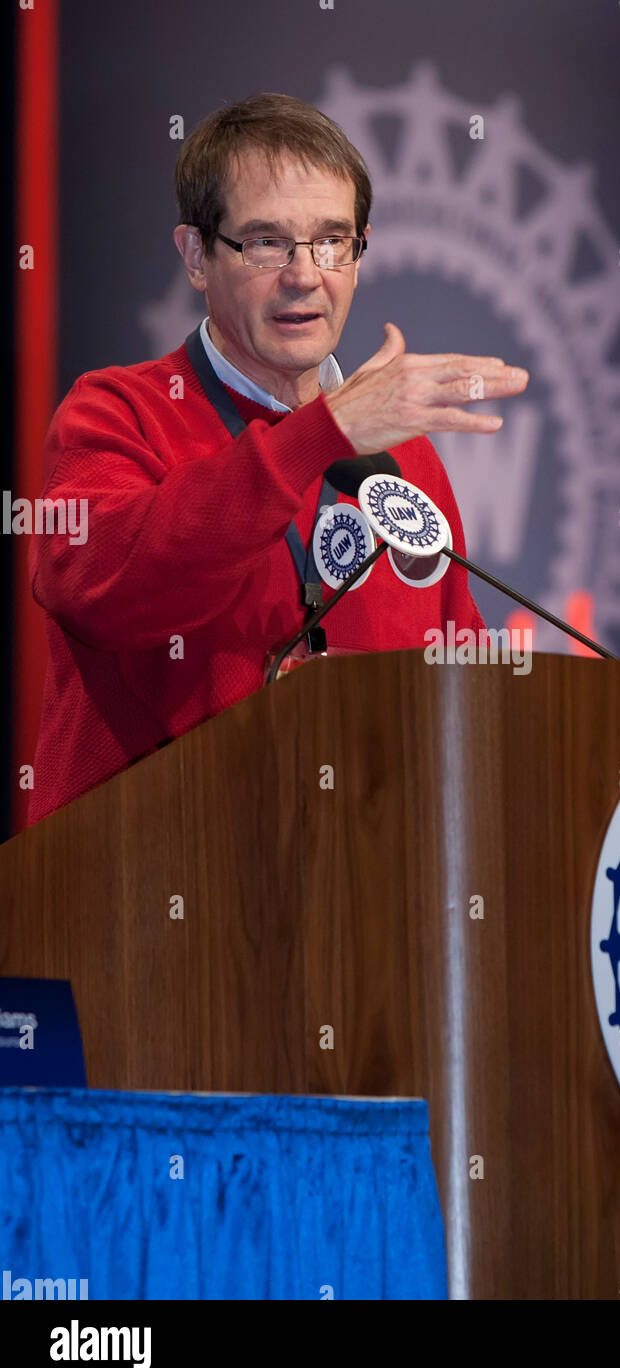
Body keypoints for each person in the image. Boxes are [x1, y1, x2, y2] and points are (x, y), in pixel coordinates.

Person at [27, 92, 529, 824]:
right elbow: (104, 588)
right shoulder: (114, 414)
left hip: (368, 889)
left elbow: (462, 690)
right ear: (197, 257)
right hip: (150, 887)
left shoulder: (403, 458)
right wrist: (322, 432)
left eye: (332, 241)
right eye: (266, 242)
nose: (305, 274)